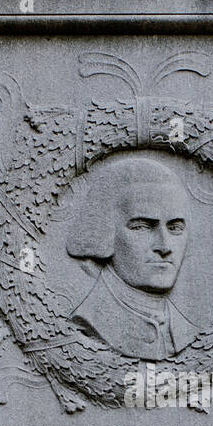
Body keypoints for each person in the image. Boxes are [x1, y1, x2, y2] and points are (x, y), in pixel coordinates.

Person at [66, 153, 197, 360]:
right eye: (142, 227)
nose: (164, 247)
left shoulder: (189, 333)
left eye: (175, 228)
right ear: (104, 234)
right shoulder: (87, 322)